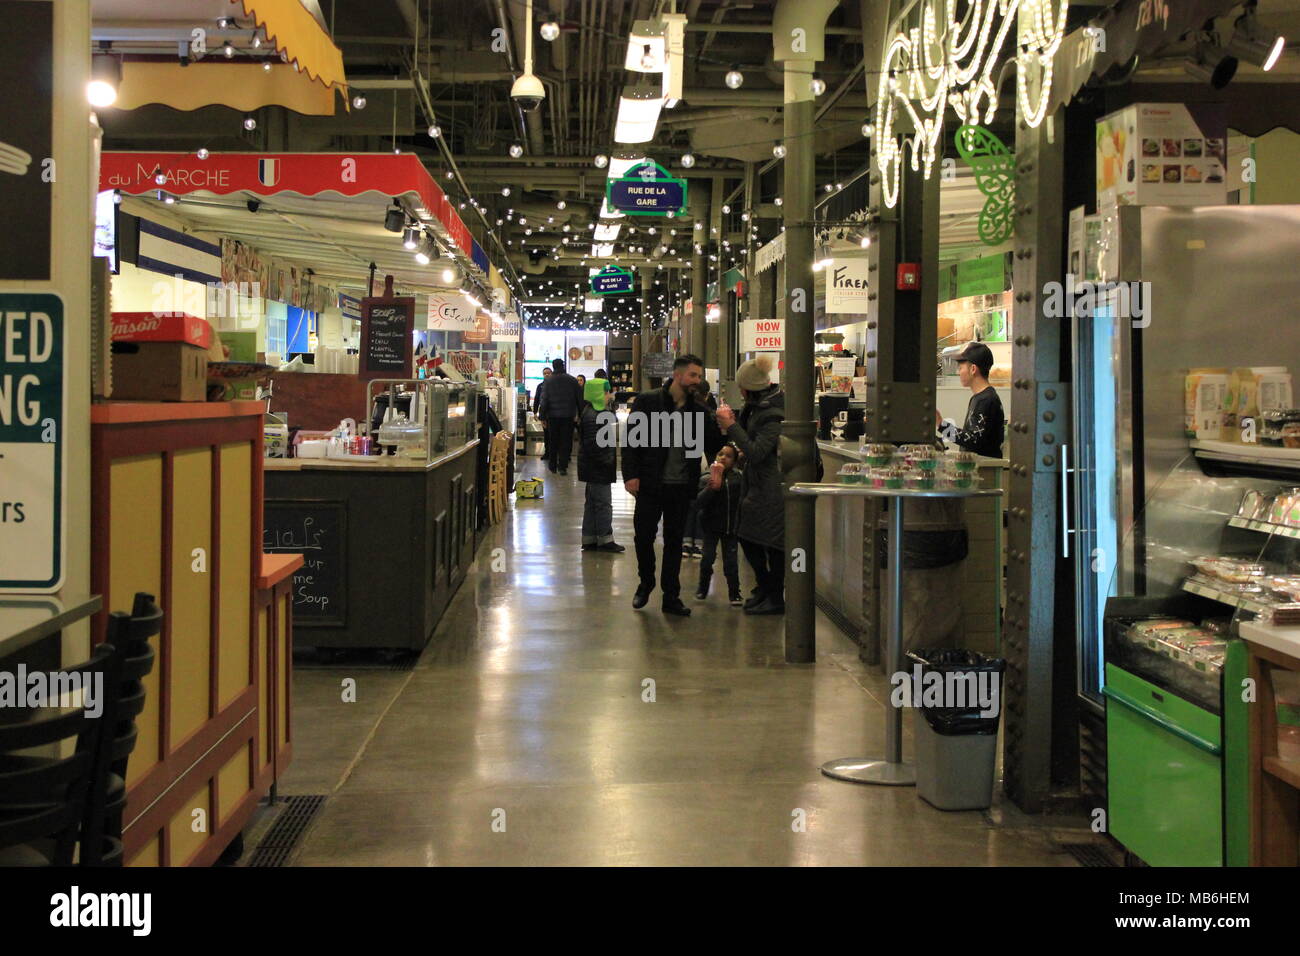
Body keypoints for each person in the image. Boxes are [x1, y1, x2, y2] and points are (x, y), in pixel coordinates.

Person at [622, 354, 723, 617]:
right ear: (678, 375)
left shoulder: (698, 411)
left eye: (699, 377)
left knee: (674, 542)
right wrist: (630, 475)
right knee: (643, 537)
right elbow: (631, 442)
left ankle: (671, 596)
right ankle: (646, 583)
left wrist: (723, 427)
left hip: (681, 487)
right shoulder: (648, 401)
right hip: (650, 484)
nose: (697, 381)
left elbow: (712, 447)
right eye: (693, 375)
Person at [717, 354, 785, 615]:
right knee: (749, 536)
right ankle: (766, 588)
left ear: (747, 389)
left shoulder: (772, 413)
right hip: (759, 483)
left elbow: (758, 451)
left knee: (770, 543)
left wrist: (731, 427)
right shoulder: (761, 407)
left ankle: (774, 594)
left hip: (771, 487)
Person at [936, 342, 1005, 458]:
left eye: (960, 368)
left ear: (973, 369)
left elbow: (973, 440)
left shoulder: (985, 400)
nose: (958, 372)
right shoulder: (981, 397)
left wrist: (941, 425)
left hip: (985, 470)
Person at [694, 443, 743, 606]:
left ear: (734, 461)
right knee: (707, 558)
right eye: (720, 454)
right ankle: (702, 588)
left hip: (730, 528)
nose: (723, 457)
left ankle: (734, 592)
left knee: (731, 562)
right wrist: (711, 487)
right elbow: (699, 502)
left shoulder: (738, 478)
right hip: (711, 527)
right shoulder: (707, 477)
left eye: (728, 456)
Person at [578, 397, 624, 553]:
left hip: (593, 466)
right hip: (598, 467)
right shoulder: (594, 415)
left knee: (592, 503)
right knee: (603, 503)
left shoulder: (593, 412)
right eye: (606, 391)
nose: (609, 395)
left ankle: (589, 538)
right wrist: (606, 461)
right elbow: (594, 443)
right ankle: (605, 539)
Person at [680, 380, 716, 558]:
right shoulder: (709, 414)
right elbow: (714, 442)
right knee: (702, 503)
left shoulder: (681, 411)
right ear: (707, 395)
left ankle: (686, 540)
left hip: (685, 465)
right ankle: (699, 542)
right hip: (705, 464)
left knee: (688, 503)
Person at [538, 358, 583, 475]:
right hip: (568, 416)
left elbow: (544, 400)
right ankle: (562, 466)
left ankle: (552, 465)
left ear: (553, 366)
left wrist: (542, 416)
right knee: (566, 441)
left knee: (553, 440)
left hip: (552, 416)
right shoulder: (572, 380)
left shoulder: (548, 381)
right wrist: (580, 414)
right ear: (563, 365)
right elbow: (580, 398)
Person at [533, 366, 552, 463]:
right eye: (545, 373)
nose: (547, 374)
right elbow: (537, 399)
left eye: (548, 373)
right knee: (546, 434)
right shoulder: (540, 386)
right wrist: (535, 412)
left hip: (553, 413)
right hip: (544, 413)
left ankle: (553, 453)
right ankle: (547, 453)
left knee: (553, 435)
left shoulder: (555, 385)